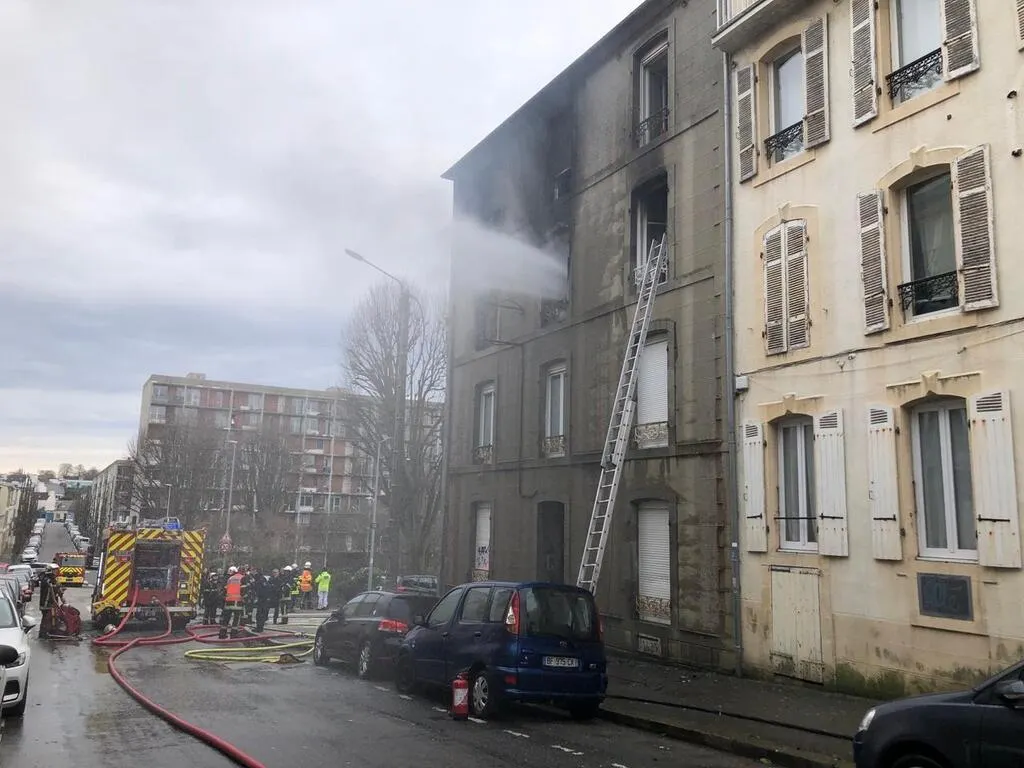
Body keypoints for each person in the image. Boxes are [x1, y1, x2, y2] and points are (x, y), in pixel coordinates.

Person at [38, 563, 64, 639]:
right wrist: (57, 587)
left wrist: (60, 591)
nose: (56, 572)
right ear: (50, 571)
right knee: (46, 618)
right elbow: (52, 587)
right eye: (55, 570)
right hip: (46, 604)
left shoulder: (53, 579)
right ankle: (43, 634)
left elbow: (57, 588)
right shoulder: (46, 580)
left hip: (51, 604)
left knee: (52, 618)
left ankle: (50, 631)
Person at [219, 566, 245, 639]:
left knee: (226, 619)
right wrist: (245, 599)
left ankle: (222, 634)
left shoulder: (231, 578)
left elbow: (225, 589)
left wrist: (224, 598)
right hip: (237, 602)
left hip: (228, 601)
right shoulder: (243, 578)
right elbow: (244, 590)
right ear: (243, 572)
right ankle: (233, 634)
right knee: (236, 619)